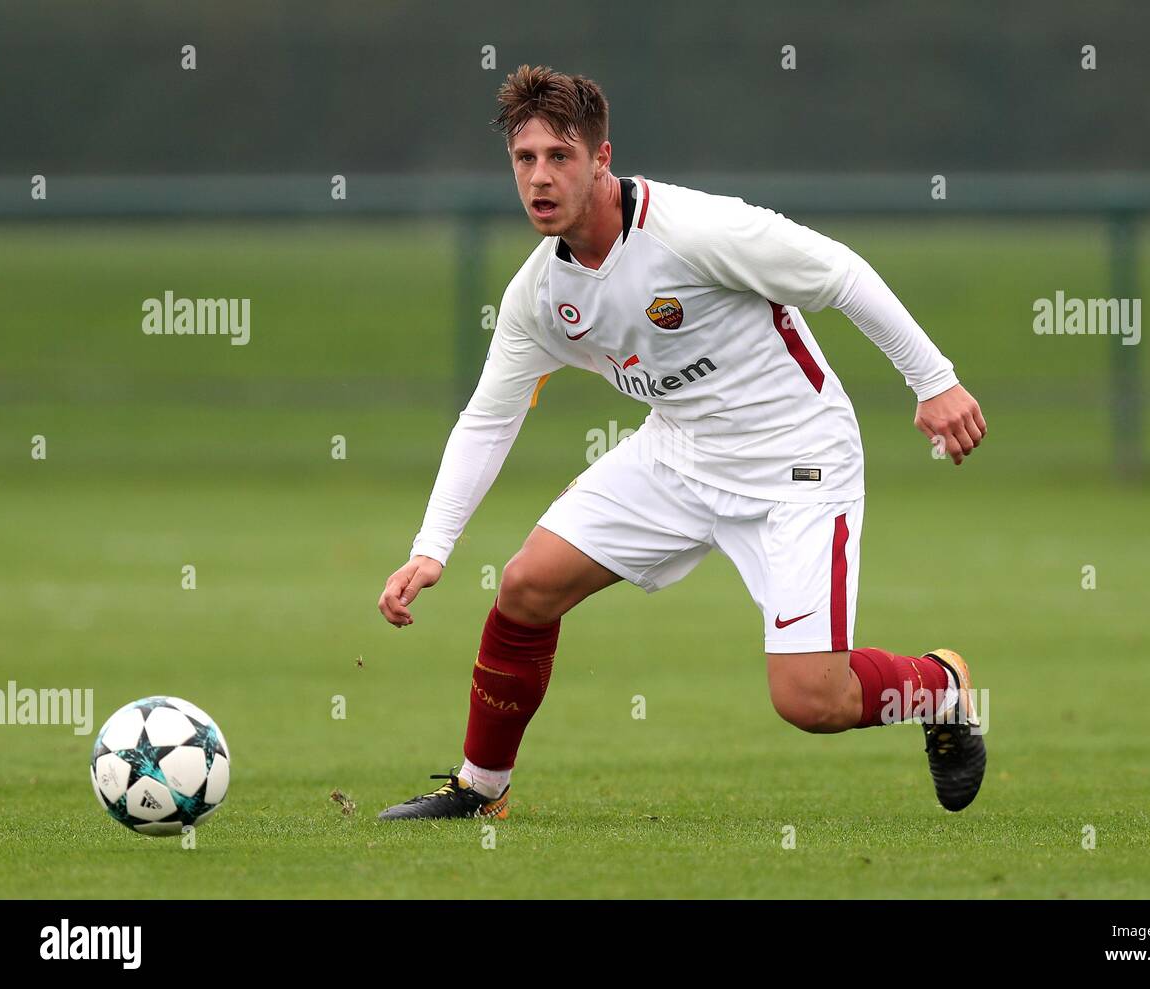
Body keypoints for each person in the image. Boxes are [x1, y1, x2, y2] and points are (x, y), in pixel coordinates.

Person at [377, 65, 987, 822]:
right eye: (524, 159)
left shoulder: (698, 230)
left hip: (795, 460)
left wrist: (934, 380)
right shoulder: (539, 294)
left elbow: (839, 273)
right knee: (527, 586)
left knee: (810, 700)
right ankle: (480, 788)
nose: (540, 177)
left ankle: (942, 685)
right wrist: (433, 547)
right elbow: (489, 419)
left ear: (602, 159)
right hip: (677, 453)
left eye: (559, 157)